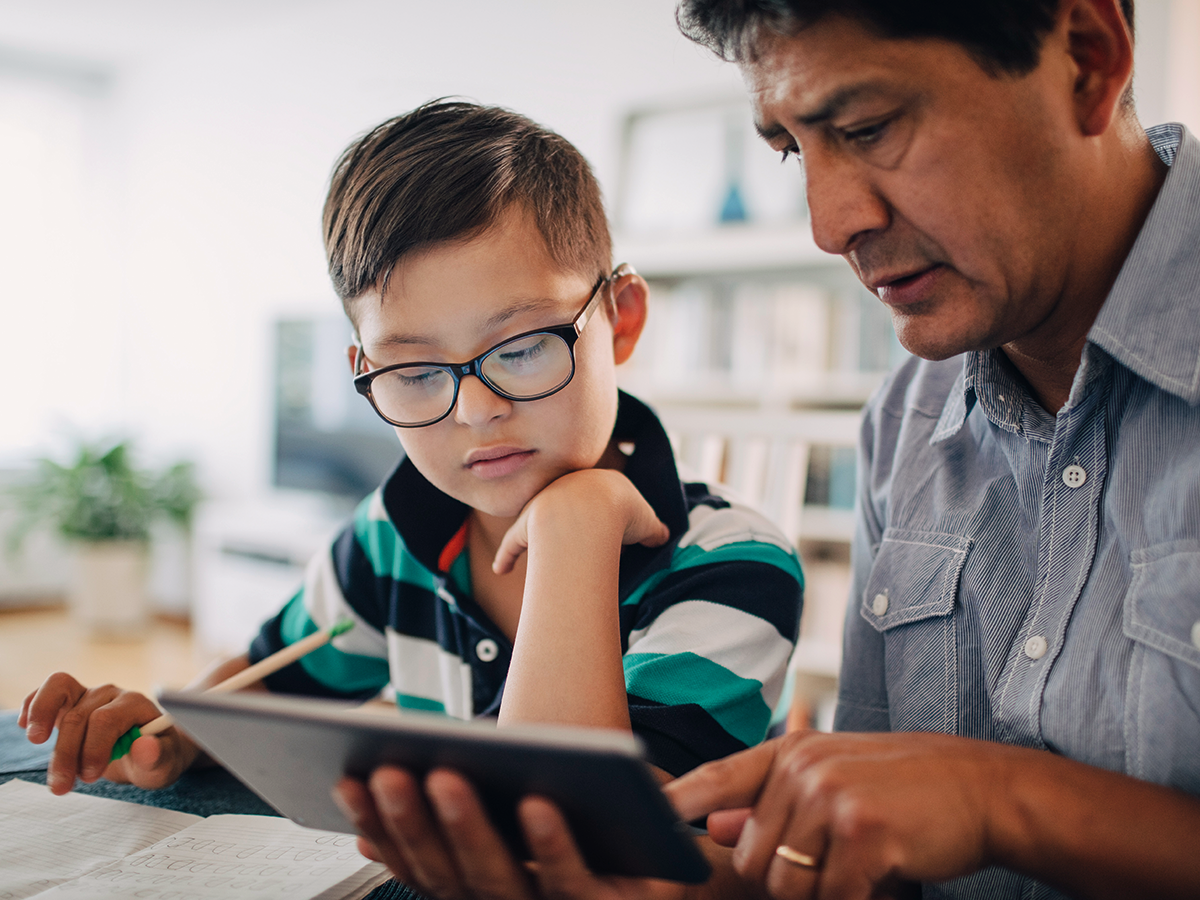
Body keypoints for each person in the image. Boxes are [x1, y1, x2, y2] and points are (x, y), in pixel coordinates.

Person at [324, 2, 1200, 899]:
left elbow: (956, 805)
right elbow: (869, 866)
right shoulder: (910, 418)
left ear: (1088, 61)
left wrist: (1004, 802)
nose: (829, 224)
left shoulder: (727, 555)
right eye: (792, 150)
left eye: (869, 128)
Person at [19, 101, 803, 802]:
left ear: (620, 320)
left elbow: (572, 835)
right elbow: (273, 682)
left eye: (525, 347)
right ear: (366, 373)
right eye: (418, 371)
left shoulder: (733, 567)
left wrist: (575, 531)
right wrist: (176, 733)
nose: (476, 410)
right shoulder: (392, 535)